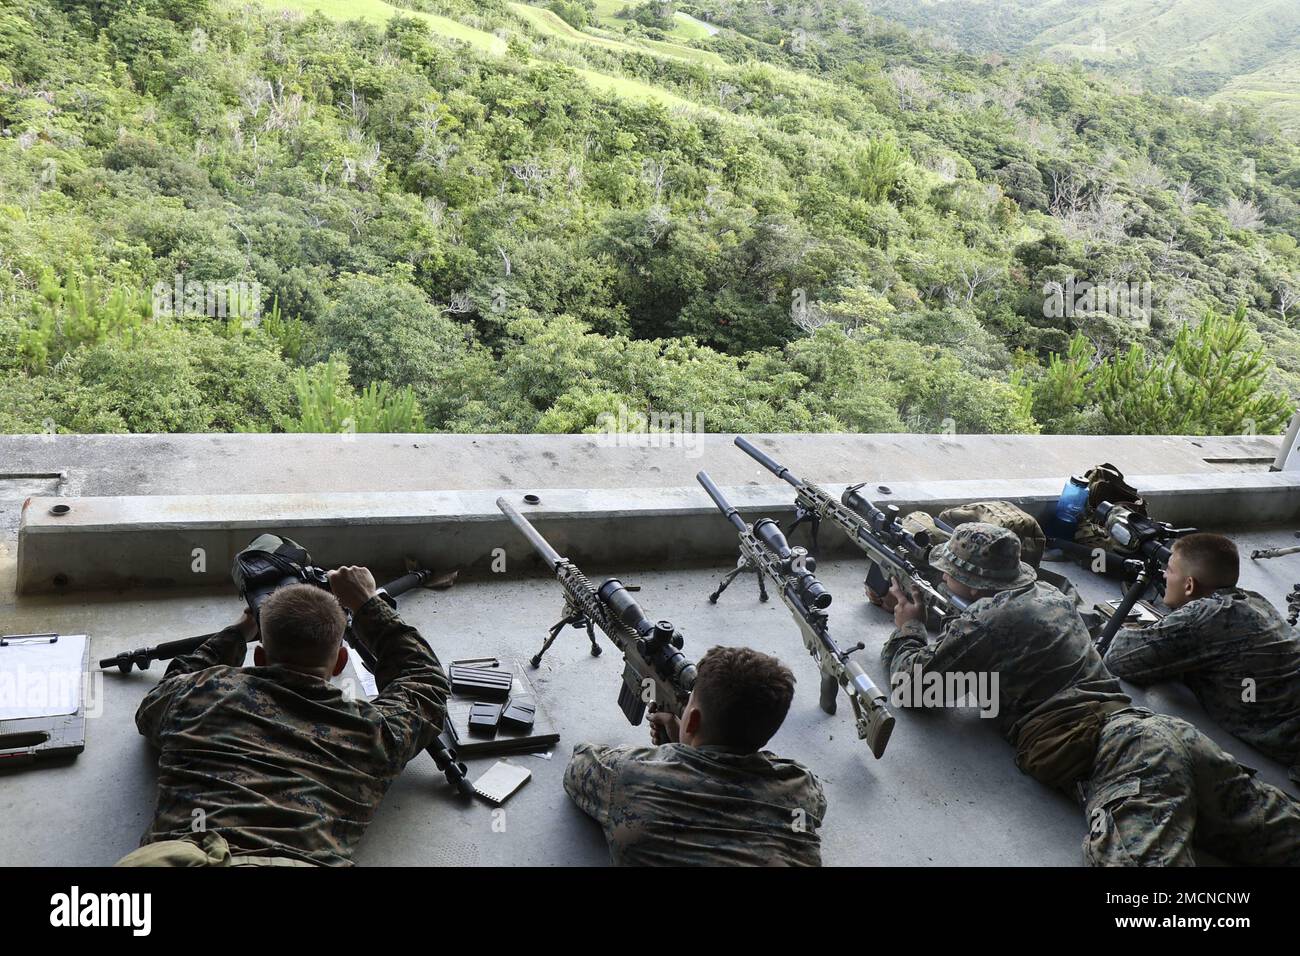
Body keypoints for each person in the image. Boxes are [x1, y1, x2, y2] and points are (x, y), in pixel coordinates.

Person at [883, 522, 1300, 866]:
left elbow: (914, 688)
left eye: (948, 572)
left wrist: (908, 628)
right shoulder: (1050, 594)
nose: (942, 577)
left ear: (973, 586)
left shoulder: (986, 622)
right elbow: (999, 646)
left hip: (1127, 757)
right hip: (1157, 732)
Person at [117, 567, 449, 867]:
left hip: (185, 859)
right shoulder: (374, 730)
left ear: (259, 657)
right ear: (339, 663)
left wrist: (235, 634)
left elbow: (152, 708)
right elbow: (425, 680)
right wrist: (366, 603)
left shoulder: (197, 693)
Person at [564, 645, 826, 866]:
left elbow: (578, 765)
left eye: (688, 701)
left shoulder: (627, 774)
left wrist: (674, 754)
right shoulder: (803, 789)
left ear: (691, 721)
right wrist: (692, 746)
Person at [1103, 532, 1300, 785]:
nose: (1163, 575)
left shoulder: (1204, 615)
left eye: (1170, 570)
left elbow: (1118, 657)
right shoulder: (1252, 599)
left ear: (1189, 585)